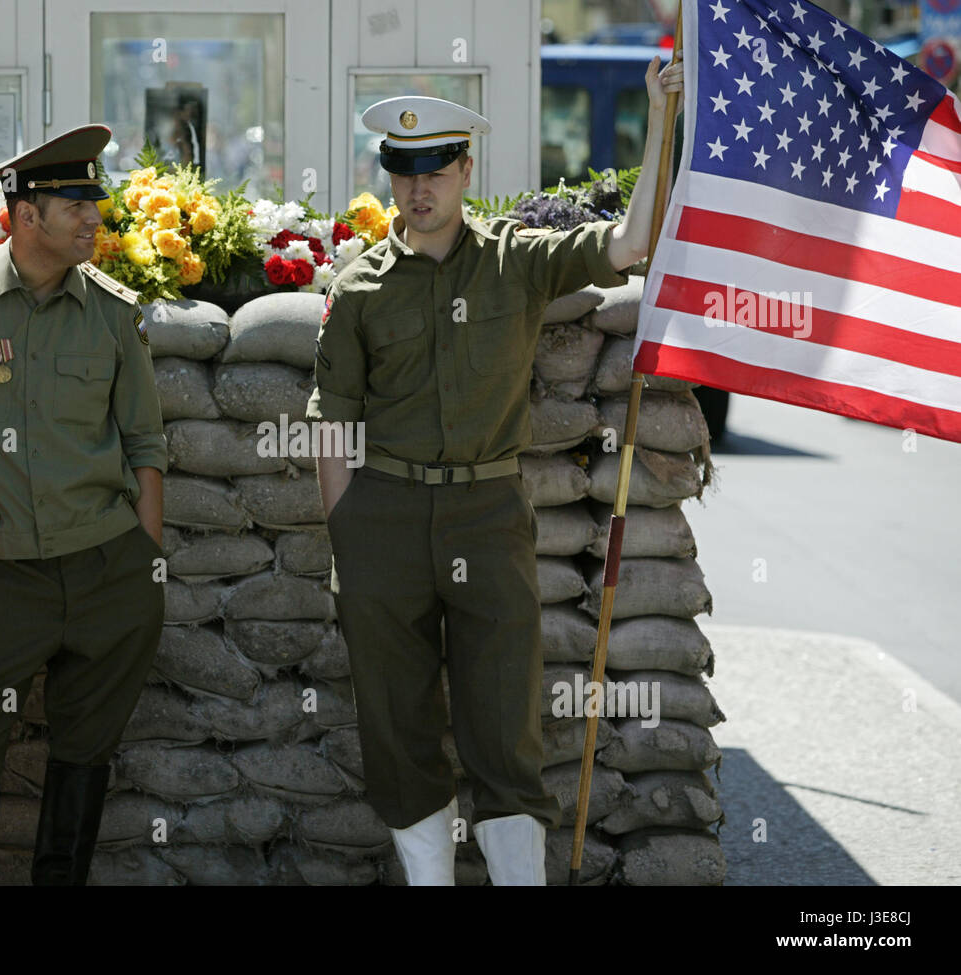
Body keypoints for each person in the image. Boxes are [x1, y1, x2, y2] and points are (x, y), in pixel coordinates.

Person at [308, 56, 682, 886]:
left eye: (434, 168)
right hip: (386, 517)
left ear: (465, 170)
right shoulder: (359, 285)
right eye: (402, 171)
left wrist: (661, 117)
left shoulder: (517, 261)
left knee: (505, 719)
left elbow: (632, 242)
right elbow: (332, 422)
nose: (417, 188)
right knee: (397, 722)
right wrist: (350, 539)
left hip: (487, 510)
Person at [0, 125, 167, 885]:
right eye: (76, 203)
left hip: (106, 575)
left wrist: (144, 565)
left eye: (96, 200)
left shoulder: (116, 315)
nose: (95, 217)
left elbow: (145, 447)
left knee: (85, 751)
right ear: (25, 215)